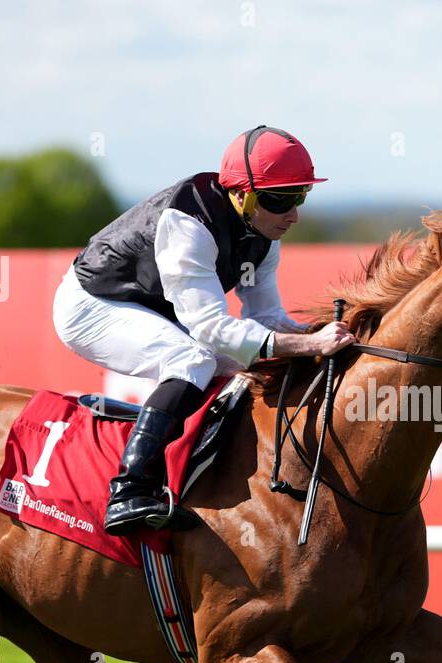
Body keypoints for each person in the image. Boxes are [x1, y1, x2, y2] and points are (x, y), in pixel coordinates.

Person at [53, 125, 355, 535]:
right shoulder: (190, 224)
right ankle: (129, 489)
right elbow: (211, 329)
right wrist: (307, 343)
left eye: (300, 196)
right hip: (92, 303)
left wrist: (319, 335)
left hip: (155, 308)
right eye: (280, 199)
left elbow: (266, 319)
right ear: (242, 193)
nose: (293, 214)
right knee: (192, 358)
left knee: (235, 362)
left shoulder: (264, 233)